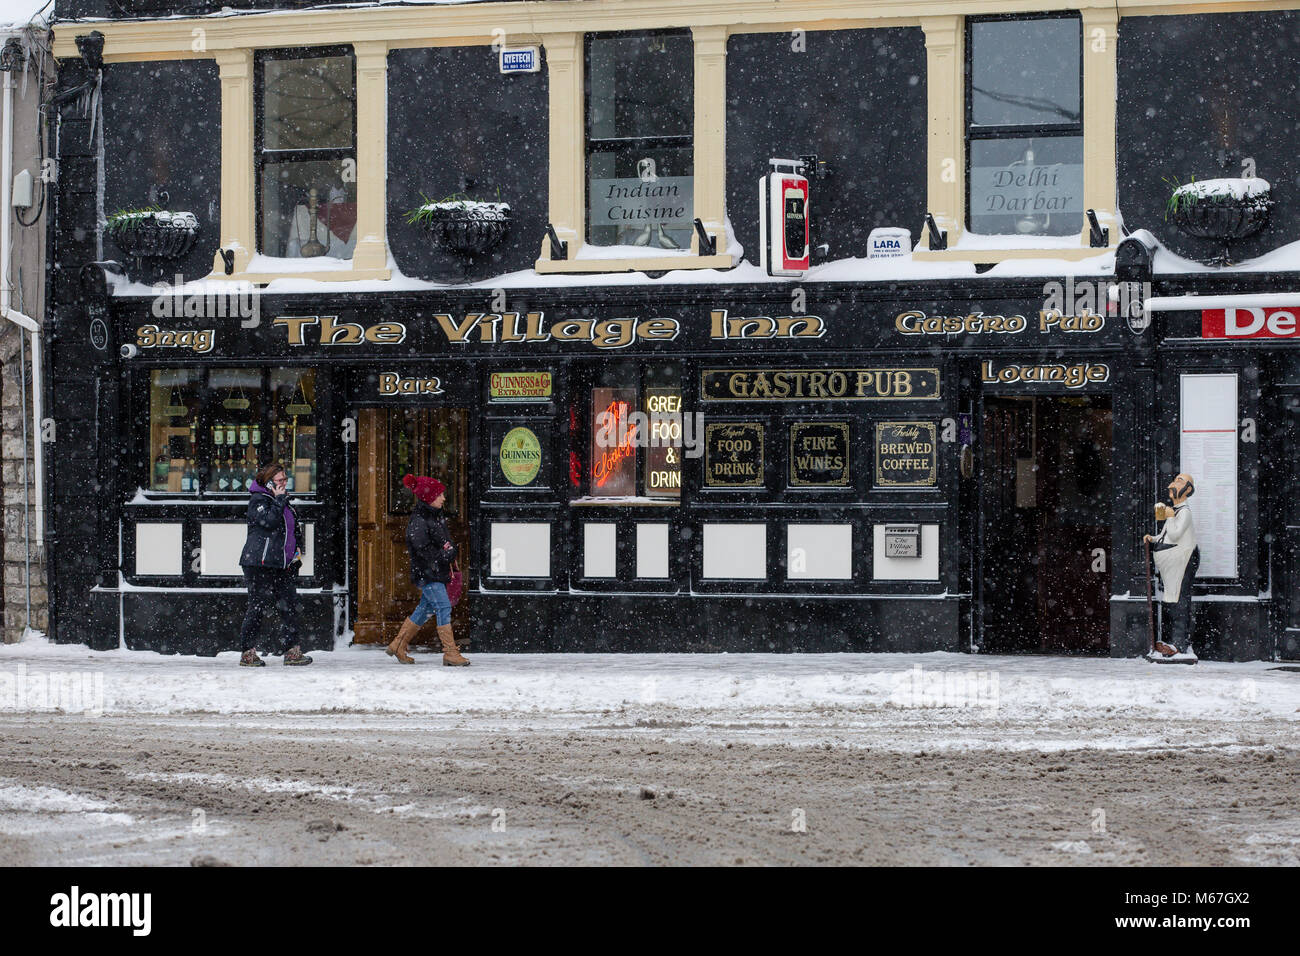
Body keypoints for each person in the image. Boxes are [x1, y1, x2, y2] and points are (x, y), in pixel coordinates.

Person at [387, 474, 469, 667]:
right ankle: (450, 652)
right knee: (443, 607)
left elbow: (444, 544)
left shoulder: (433, 516)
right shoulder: (420, 520)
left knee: (425, 609)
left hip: (435, 571)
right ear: (429, 497)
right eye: (440, 495)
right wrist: (446, 554)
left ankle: (398, 644)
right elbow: (424, 550)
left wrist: (449, 550)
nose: (443, 498)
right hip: (429, 572)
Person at [237, 462, 313, 667]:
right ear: (269, 482)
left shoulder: (281, 501)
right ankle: (247, 652)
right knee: (257, 607)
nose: (284, 483)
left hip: (281, 564)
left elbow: (291, 530)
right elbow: (268, 522)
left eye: (285, 479)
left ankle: (292, 650)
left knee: (289, 605)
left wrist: (295, 556)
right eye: (280, 480)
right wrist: (279, 501)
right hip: (259, 562)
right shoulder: (258, 500)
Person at [1144, 472, 1200, 657]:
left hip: (1183, 561)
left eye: (1180, 481)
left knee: (1181, 600)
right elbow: (1165, 535)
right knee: (1172, 601)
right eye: (1175, 480)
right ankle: (1171, 642)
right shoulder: (1174, 511)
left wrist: (1168, 515)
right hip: (1171, 566)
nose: (1175, 483)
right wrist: (1153, 538)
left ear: (1188, 489)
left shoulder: (1184, 513)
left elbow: (1175, 535)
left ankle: (1180, 644)